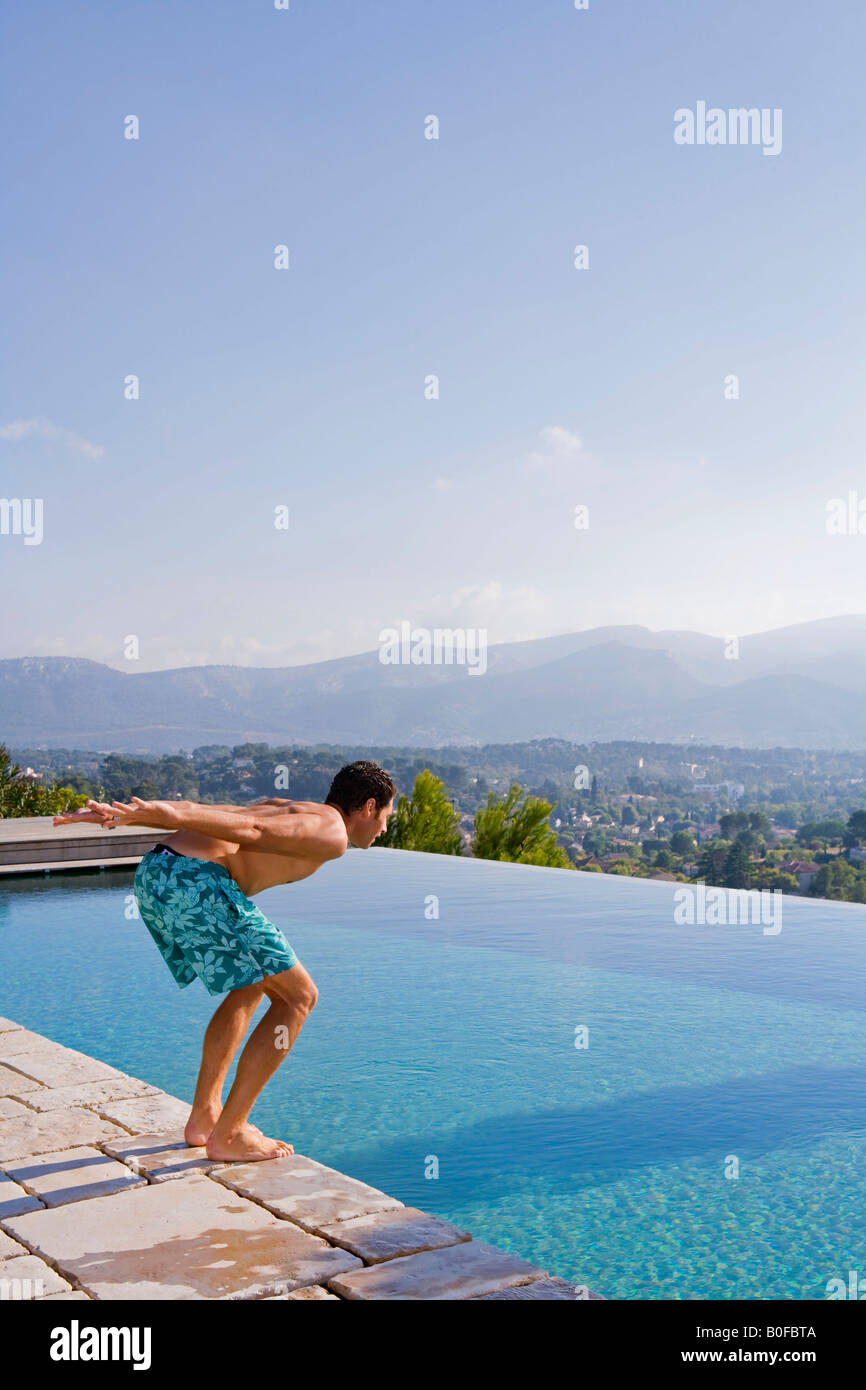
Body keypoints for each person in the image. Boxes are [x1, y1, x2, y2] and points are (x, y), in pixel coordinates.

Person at [53, 761, 396, 1161]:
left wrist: (136, 814)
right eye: (386, 817)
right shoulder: (332, 832)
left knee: (251, 983)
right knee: (298, 998)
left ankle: (205, 1116)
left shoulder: (294, 807)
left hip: (159, 871)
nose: (384, 828)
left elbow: (220, 812)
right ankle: (230, 1132)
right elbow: (253, 830)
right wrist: (157, 814)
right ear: (369, 806)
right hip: (194, 879)